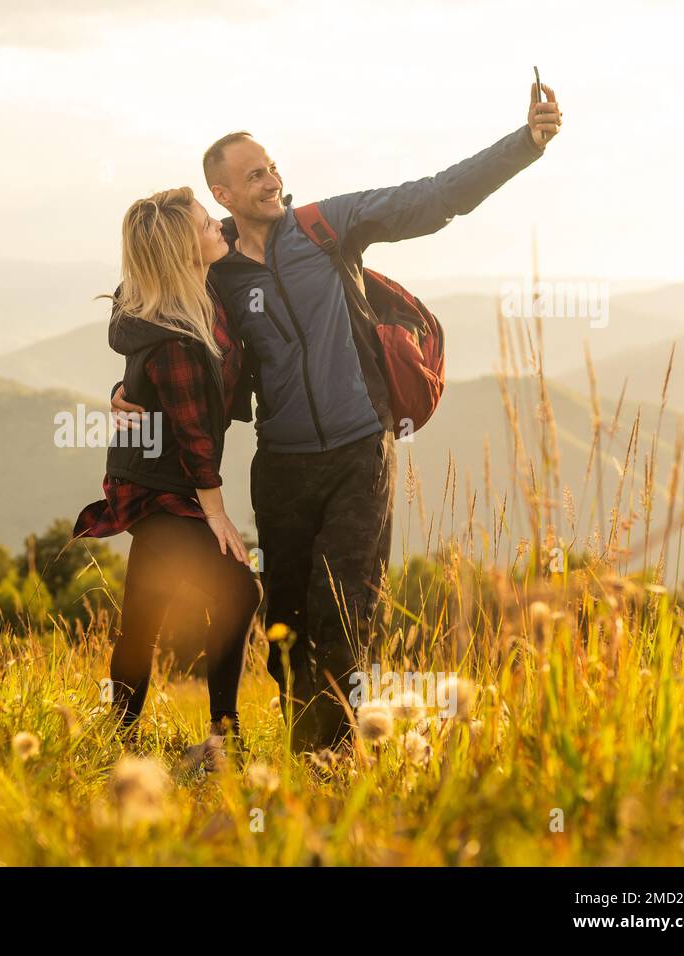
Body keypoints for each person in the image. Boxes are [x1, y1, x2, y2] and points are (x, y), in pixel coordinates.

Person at [113, 82, 564, 752]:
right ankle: (308, 758)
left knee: (342, 614)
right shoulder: (213, 266)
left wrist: (526, 143)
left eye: (271, 167)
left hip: (360, 453)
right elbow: (142, 298)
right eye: (253, 175)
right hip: (282, 467)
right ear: (224, 196)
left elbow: (435, 197)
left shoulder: (329, 227)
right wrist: (129, 387)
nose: (272, 180)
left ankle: (338, 757)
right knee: (286, 627)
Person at [74, 186, 261, 769]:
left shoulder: (182, 295)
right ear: (184, 251)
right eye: (209, 226)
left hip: (157, 480)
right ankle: (222, 740)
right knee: (239, 590)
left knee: (143, 617)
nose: (222, 232)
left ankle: (120, 739)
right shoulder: (178, 336)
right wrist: (217, 513)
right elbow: (193, 435)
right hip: (165, 489)